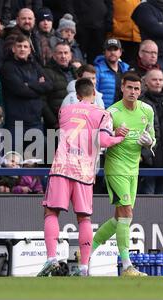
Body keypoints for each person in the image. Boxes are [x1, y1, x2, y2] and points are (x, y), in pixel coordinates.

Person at [38, 78, 128, 277]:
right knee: (84, 218)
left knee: (51, 213)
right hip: (84, 172)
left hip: (61, 167)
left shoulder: (64, 111)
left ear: (76, 95)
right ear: (94, 94)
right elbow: (103, 141)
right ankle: (84, 267)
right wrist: (118, 137)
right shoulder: (102, 114)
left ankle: (51, 258)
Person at [91, 72, 155, 277]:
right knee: (127, 213)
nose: (133, 92)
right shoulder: (112, 112)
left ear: (140, 90)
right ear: (122, 88)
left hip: (133, 169)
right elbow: (101, 140)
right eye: (129, 88)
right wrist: (115, 136)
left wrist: (150, 142)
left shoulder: (147, 110)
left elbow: (152, 136)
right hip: (115, 167)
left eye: (137, 89)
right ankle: (127, 266)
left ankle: (86, 252)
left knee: (120, 218)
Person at [43, 42, 77, 130]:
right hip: (55, 125)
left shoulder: (76, 72)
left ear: (70, 55)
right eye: (60, 53)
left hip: (75, 122)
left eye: (66, 53)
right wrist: (54, 122)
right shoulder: (47, 72)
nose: (63, 56)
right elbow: (43, 101)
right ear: (54, 55)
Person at [93, 38, 130, 108]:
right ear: (104, 52)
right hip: (103, 112)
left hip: (123, 112)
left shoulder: (126, 70)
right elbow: (93, 94)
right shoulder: (97, 70)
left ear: (120, 52)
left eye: (115, 49)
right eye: (109, 49)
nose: (112, 52)